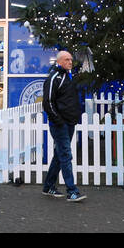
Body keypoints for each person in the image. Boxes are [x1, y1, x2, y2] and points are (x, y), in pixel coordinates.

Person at [41, 51, 85, 202]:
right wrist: (58, 120)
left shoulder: (68, 76)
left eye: (71, 59)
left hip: (69, 122)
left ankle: (48, 186)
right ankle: (72, 191)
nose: (70, 62)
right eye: (67, 59)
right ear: (59, 61)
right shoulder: (54, 78)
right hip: (60, 124)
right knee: (65, 154)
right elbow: (48, 102)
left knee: (59, 156)